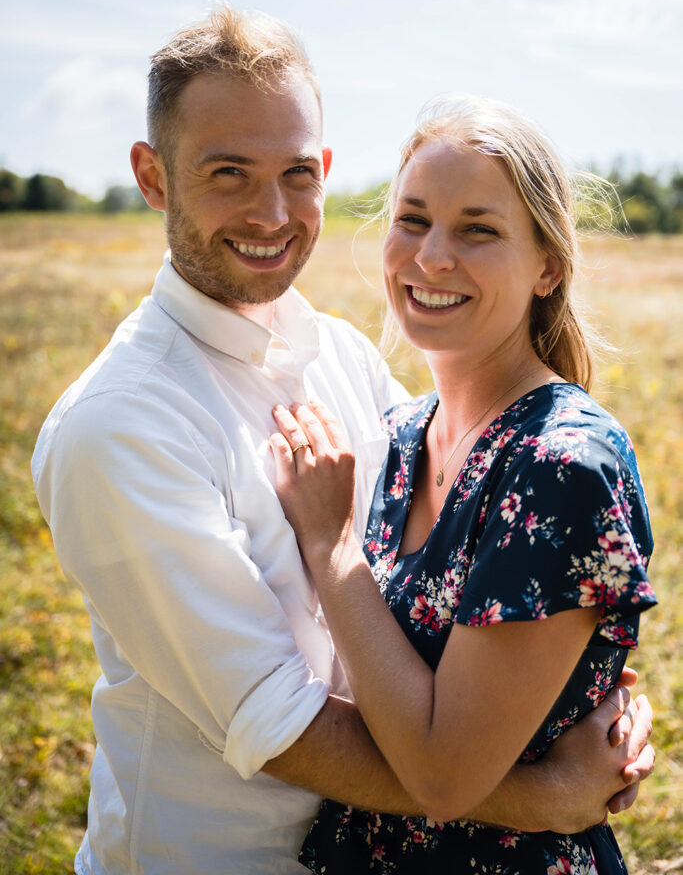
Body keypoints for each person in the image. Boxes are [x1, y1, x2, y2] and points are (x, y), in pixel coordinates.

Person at [32, 10, 653, 875]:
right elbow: (278, 726)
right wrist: (545, 792)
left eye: (295, 173)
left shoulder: (346, 362)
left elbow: (477, 579)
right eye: (227, 173)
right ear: (153, 176)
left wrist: (582, 688)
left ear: (325, 173)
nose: (270, 211)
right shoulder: (122, 426)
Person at [271, 95, 657, 873]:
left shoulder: (561, 466)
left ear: (548, 265)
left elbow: (444, 777)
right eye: (411, 219)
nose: (431, 256)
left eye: (477, 230)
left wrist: (331, 544)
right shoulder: (401, 435)